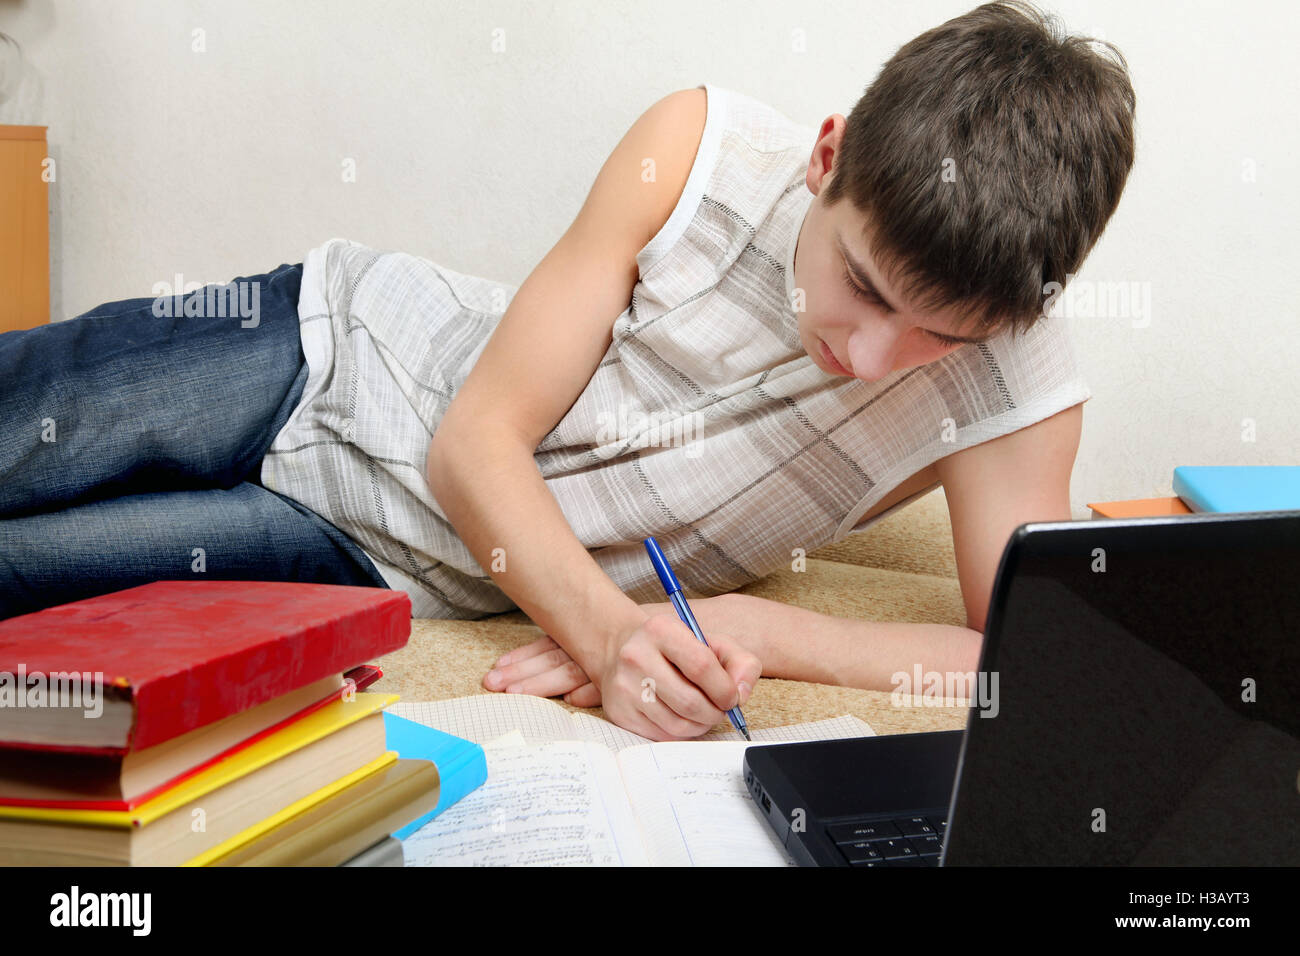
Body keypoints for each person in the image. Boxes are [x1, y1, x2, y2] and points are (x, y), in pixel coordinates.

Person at [0, 1, 1135, 743]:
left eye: (937, 339)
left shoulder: (1013, 385)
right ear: (826, 157)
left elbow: (1018, 662)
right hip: (324, 349)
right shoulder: (697, 147)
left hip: (376, 552)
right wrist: (610, 637)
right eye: (868, 289)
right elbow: (472, 443)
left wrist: (760, 627)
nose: (872, 357)